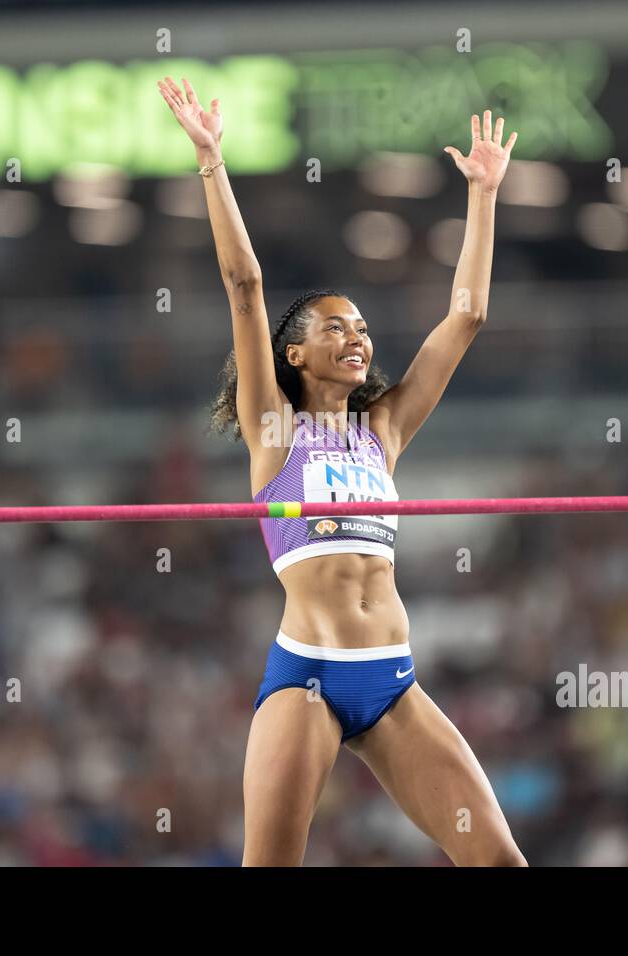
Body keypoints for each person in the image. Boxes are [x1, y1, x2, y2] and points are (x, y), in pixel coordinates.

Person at [158, 76, 525, 866]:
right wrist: (211, 160)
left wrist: (484, 197)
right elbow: (246, 288)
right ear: (295, 352)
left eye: (361, 327)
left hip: (392, 682)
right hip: (309, 679)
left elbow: (466, 317)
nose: (357, 338)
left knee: (499, 861)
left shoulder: (384, 429)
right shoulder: (275, 434)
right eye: (335, 328)